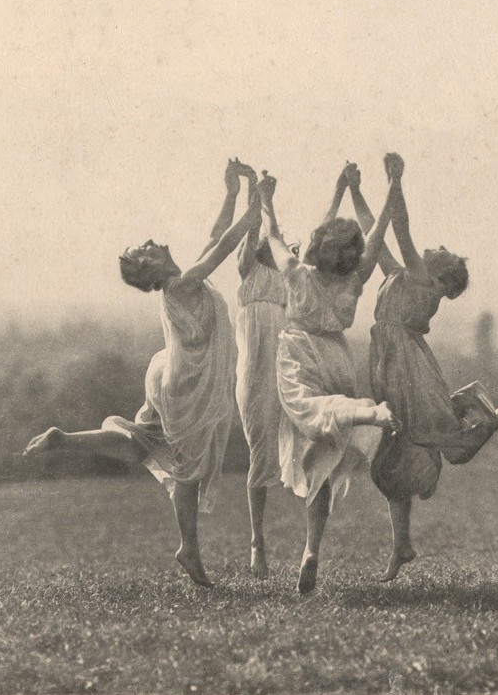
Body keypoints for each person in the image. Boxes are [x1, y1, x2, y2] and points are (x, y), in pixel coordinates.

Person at [23, 160, 259, 588]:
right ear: (152, 268)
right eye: (144, 249)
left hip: (171, 374)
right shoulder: (183, 284)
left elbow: (214, 238)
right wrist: (257, 200)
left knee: (141, 443)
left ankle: (65, 439)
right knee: (186, 470)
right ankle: (188, 547)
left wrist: (232, 192)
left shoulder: (182, 282)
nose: (151, 242)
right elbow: (224, 245)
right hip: (185, 386)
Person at [341, 157, 498, 582]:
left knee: (447, 444)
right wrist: (357, 190)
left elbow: (401, 228)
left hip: (407, 366)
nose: (436, 247)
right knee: (395, 454)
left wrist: (395, 181)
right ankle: (401, 545)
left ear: (442, 277)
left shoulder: (420, 278)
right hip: (392, 365)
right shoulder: (402, 275)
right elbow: (377, 231)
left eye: (442, 254)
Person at [259, 161, 400, 594]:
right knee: (324, 458)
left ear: (317, 248)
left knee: (310, 413)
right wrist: (386, 184)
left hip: (300, 354)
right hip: (337, 356)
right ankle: (311, 549)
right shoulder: (355, 279)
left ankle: (366, 412)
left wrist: (266, 199)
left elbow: (273, 235)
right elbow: (376, 232)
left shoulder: (297, 274)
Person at [232, 162, 302, 579]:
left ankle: (309, 540)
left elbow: (275, 234)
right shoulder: (250, 271)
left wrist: (268, 199)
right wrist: (256, 197)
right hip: (254, 369)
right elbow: (251, 236)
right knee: (260, 450)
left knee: (301, 438)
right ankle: (257, 540)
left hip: (285, 359)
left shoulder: (286, 282)